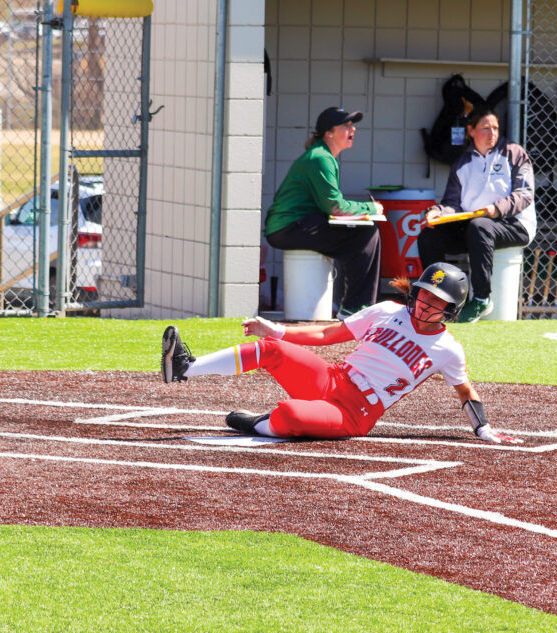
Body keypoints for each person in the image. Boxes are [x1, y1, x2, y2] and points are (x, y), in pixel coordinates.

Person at [160, 262, 519, 444]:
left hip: (354, 412)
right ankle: (185, 368)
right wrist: (280, 331)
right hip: (333, 377)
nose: (425, 303)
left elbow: (465, 392)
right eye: (425, 294)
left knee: (289, 414)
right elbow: (328, 333)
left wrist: (484, 429)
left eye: (437, 301)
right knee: (271, 348)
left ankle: (257, 422)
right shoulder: (388, 310)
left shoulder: (448, 350)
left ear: (452, 309)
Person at [416, 105, 537, 323]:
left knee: (480, 226)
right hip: (475, 226)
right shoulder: (462, 163)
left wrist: (497, 208)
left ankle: (481, 298)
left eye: (495, 128)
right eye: (486, 128)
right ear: (471, 131)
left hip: (514, 224)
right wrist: (436, 211)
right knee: (429, 236)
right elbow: (452, 203)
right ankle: (439, 297)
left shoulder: (514, 153)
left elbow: (525, 193)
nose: (492, 133)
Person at [264, 107, 384, 317]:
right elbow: (335, 207)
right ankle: (355, 310)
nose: (352, 129)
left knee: (362, 234)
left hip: (292, 226)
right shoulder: (320, 157)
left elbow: (330, 207)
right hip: (288, 228)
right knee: (366, 234)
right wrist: (371, 208)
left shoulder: (323, 155)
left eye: (352, 125)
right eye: (346, 125)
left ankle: (354, 308)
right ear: (328, 133)